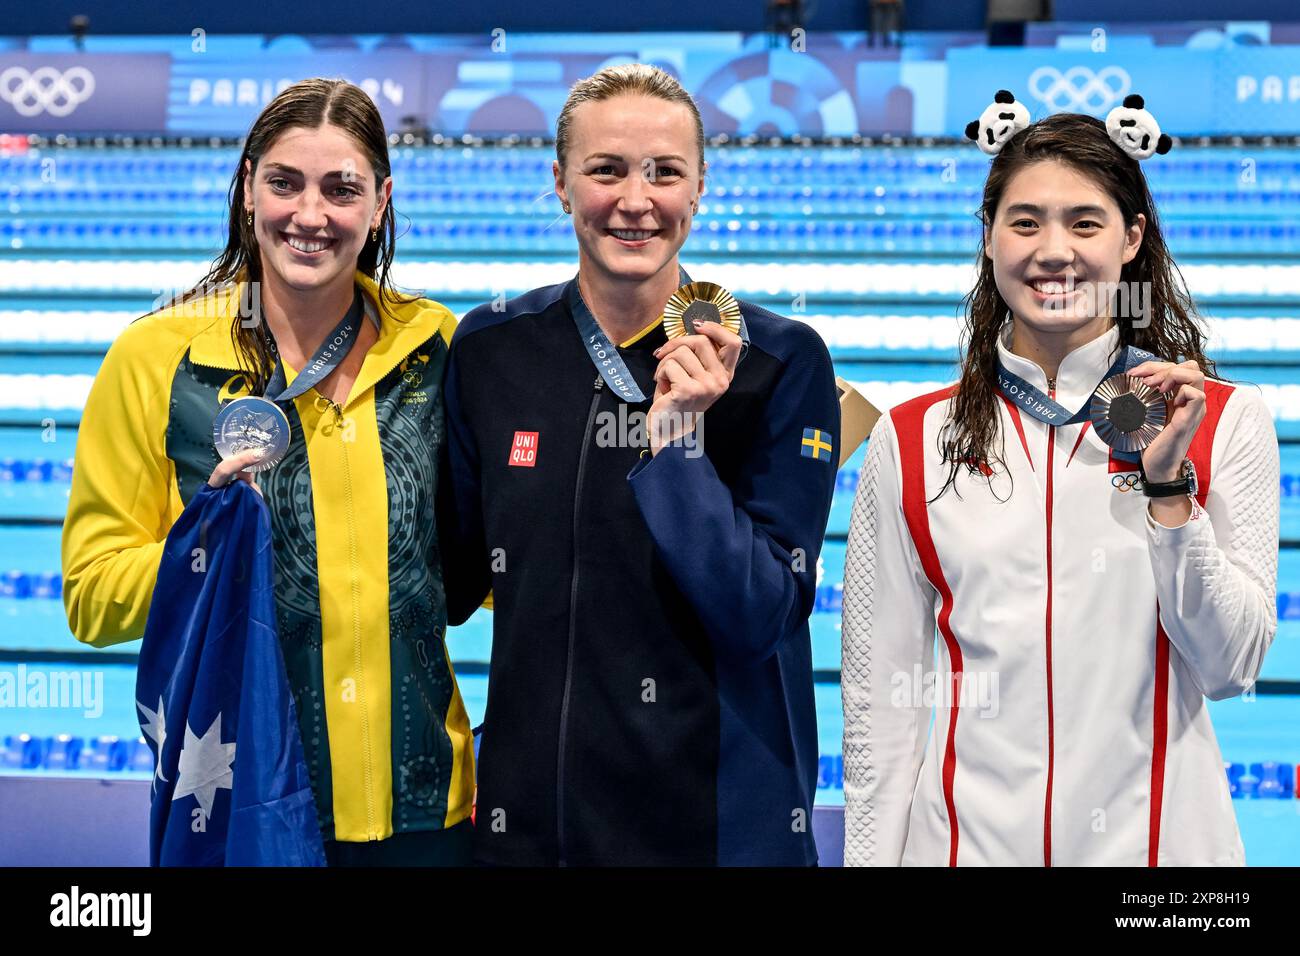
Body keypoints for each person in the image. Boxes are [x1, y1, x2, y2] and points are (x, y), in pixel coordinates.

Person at [841, 99, 1279, 866]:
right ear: (988, 238)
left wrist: (1169, 493)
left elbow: (1231, 666)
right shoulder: (910, 440)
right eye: (1025, 222)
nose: (1054, 251)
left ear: (1131, 239)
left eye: (1085, 222)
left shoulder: (1222, 421)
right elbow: (878, 707)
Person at [62, 78, 476, 866]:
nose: (310, 216)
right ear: (249, 187)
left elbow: (482, 557)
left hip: (426, 810)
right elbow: (89, 598)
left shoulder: (433, 345)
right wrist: (211, 548)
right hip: (241, 806)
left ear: (381, 201)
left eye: (341, 188)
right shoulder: (157, 358)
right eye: (284, 183)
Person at [438, 63, 840, 866]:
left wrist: (680, 446)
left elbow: (762, 614)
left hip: (713, 828)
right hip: (537, 825)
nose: (635, 199)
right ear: (559, 183)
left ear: (699, 189)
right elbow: (447, 585)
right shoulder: (490, 350)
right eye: (606, 169)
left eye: (665, 172)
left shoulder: (779, 363)